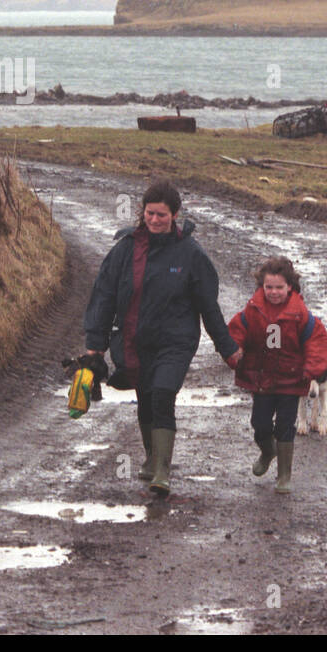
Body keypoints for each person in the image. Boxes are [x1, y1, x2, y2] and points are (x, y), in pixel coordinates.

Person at [82, 180, 241, 497]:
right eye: (150, 214)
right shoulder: (125, 250)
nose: (155, 220)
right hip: (134, 339)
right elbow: (103, 297)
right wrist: (95, 345)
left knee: (163, 393)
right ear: (142, 212)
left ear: (176, 215)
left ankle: (162, 473)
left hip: (176, 341)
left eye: (162, 215)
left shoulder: (191, 254)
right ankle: (152, 457)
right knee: (145, 398)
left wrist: (228, 349)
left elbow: (208, 307)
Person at [227, 256, 327, 494]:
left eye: (279, 287)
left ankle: (284, 475)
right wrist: (234, 352)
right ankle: (267, 451)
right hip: (262, 380)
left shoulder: (301, 315)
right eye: (269, 287)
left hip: (291, 381)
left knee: (286, 425)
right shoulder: (252, 311)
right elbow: (236, 332)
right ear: (261, 287)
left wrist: (310, 370)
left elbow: (317, 342)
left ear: (290, 287)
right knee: (260, 423)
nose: (274, 292)